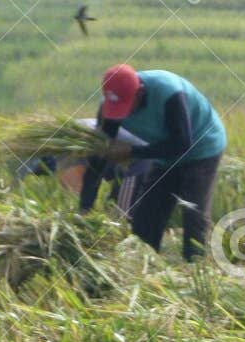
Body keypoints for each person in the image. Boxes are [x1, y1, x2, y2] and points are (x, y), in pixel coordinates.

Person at [79, 65, 226, 261]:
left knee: (193, 213)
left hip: (202, 148)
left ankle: (196, 270)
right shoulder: (109, 110)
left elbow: (182, 144)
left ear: (139, 91)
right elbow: (98, 160)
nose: (123, 113)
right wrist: (85, 209)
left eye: (126, 105)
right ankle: (146, 266)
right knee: (146, 218)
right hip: (163, 153)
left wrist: (133, 151)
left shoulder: (169, 93)